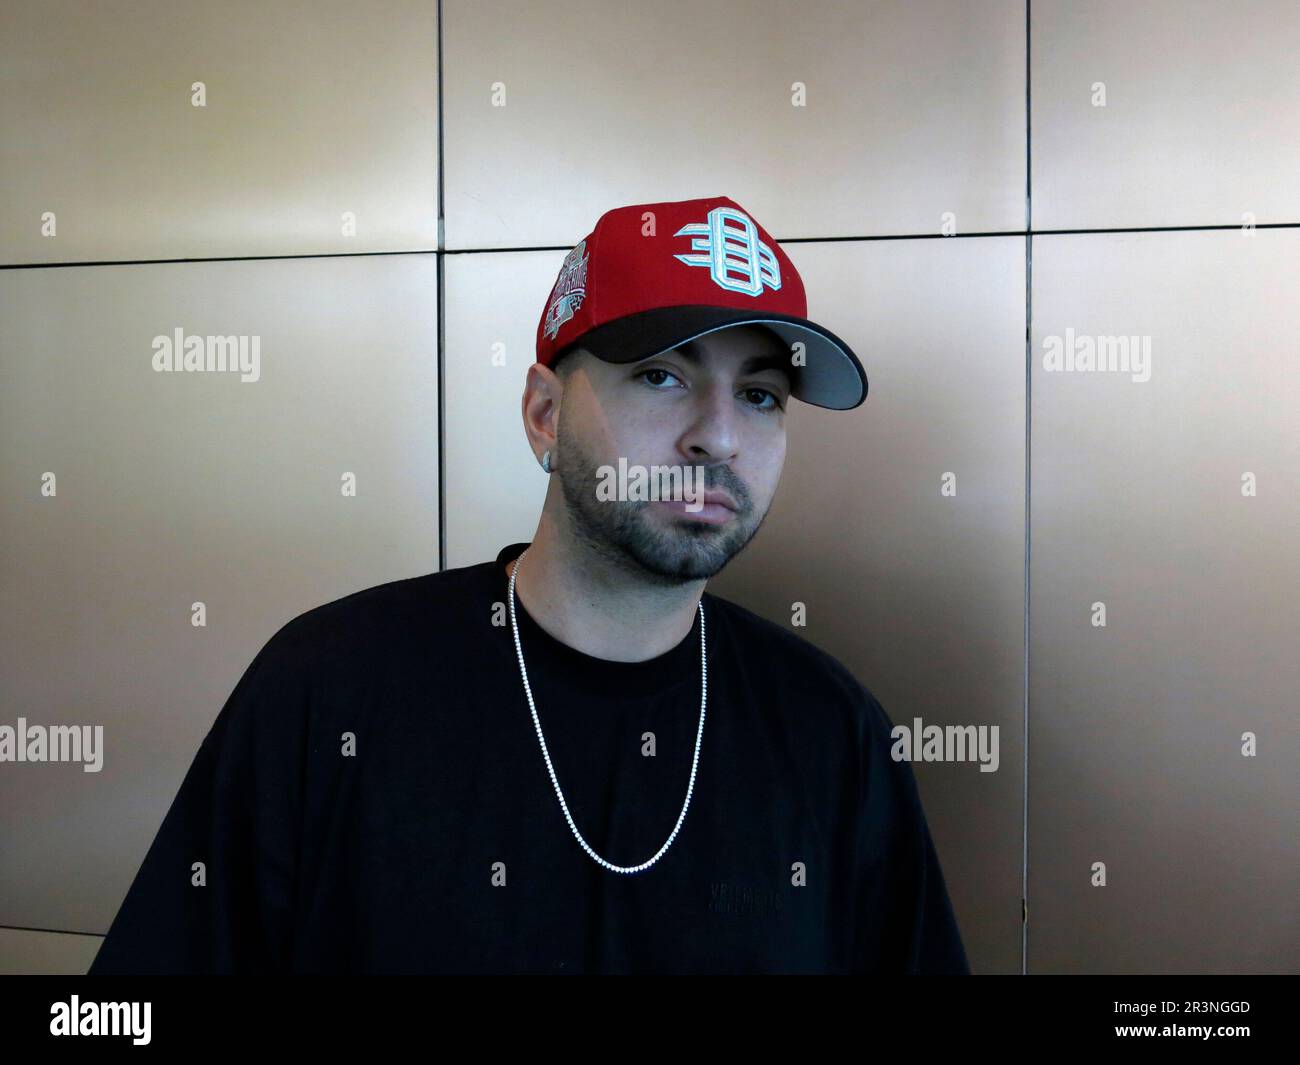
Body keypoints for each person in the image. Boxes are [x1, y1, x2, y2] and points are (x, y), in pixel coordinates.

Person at [89, 195, 969, 974]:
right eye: (662, 375)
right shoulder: (329, 689)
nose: (719, 436)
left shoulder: (831, 732)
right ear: (545, 414)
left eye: (761, 395)